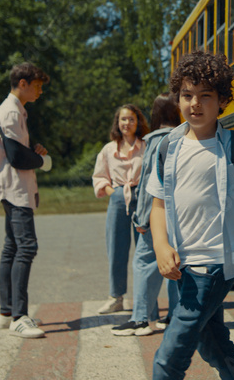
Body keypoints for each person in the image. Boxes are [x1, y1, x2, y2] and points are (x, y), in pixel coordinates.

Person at [146, 50, 234, 380]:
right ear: (178, 99)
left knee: (169, 357)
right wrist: (161, 247)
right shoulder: (168, 146)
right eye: (187, 95)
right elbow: (158, 205)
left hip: (213, 264)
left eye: (205, 96)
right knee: (213, 344)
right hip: (180, 266)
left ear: (222, 101)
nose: (195, 104)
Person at [0, 62, 50, 339]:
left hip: (12, 188)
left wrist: (33, 151)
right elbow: (16, 157)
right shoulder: (11, 111)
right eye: (37, 86)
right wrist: (42, 161)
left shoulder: (15, 110)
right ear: (22, 84)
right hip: (14, 189)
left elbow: (17, 150)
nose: (40, 91)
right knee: (27, 247)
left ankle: (7, 312)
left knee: (12, 247)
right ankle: (19, 317)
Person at [111, 94, 183, 336]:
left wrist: (142, 218)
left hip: (157, 214)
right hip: (178, 215)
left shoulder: (155, 140)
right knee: (175, 264)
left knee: (143, 261)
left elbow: (150, 186)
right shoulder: (183, 137)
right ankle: (174, 315)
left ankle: (141, 319)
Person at [92, 104, 150, 314]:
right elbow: (99, 176)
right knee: (116, 249)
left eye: (131, 119)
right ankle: (116, 297)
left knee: (145, 250)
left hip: (142, 199)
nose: (127, 123)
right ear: (117, 123)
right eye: (123, 119)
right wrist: (112, 192)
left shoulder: (146, 146)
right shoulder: (109, 149)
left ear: (138, 122)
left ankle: (145, 300)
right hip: (118, 199)